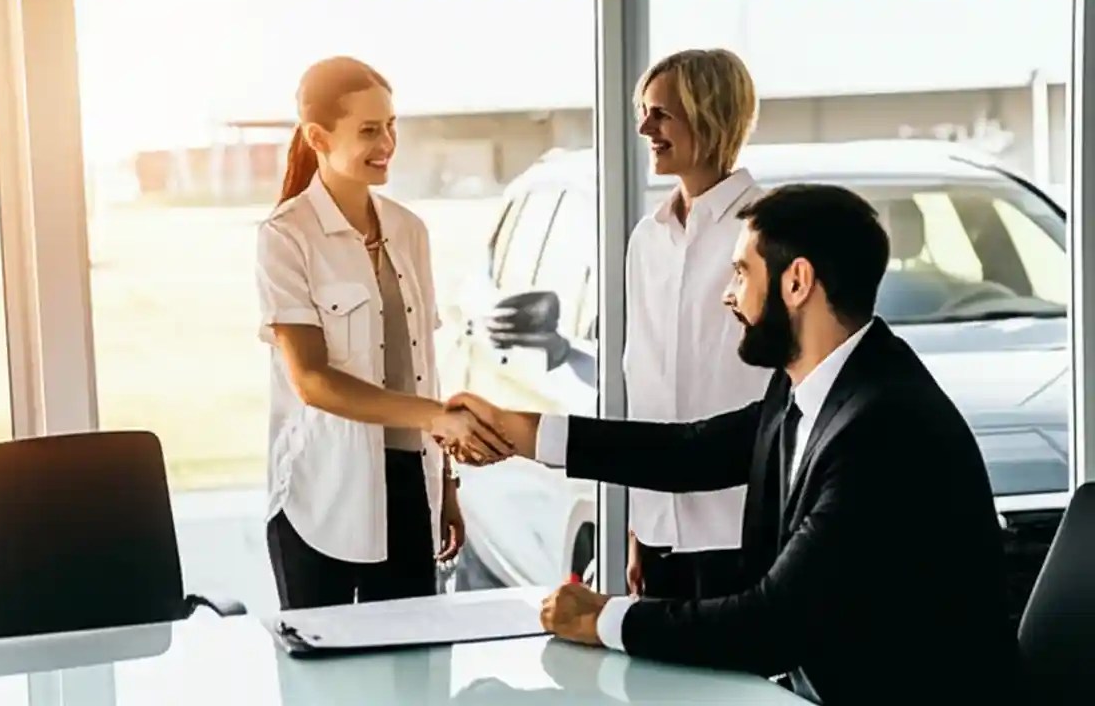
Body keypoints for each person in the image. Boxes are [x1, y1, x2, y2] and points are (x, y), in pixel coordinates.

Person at [445, 184, 1021, 704]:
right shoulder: (822, 380)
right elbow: (693, 452)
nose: (728, 295)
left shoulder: (882, 430)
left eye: (742, 273)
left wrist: (603, 618)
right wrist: (520, 432)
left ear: (796, 282)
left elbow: (770, 628)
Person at [255, 56, 511, 610]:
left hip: (411, 487)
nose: (388, 143)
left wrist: (445, 484)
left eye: (392, 125)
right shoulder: (285, 236)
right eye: (369, 130)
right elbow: (312, 381)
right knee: (323, 663)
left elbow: (422, 366)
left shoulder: (409, 230)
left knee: (415, 659)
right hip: (321, 495)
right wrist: (436, 417)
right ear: (317, 137)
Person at [619, 48, 771, 600]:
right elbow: (643, 381)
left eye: (661, 114)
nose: (645, 129)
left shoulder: (766, 229)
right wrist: (639, 523)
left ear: (710, 116)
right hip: (660, 530)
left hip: (743, 523)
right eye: (644, 113)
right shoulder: (647, 238)